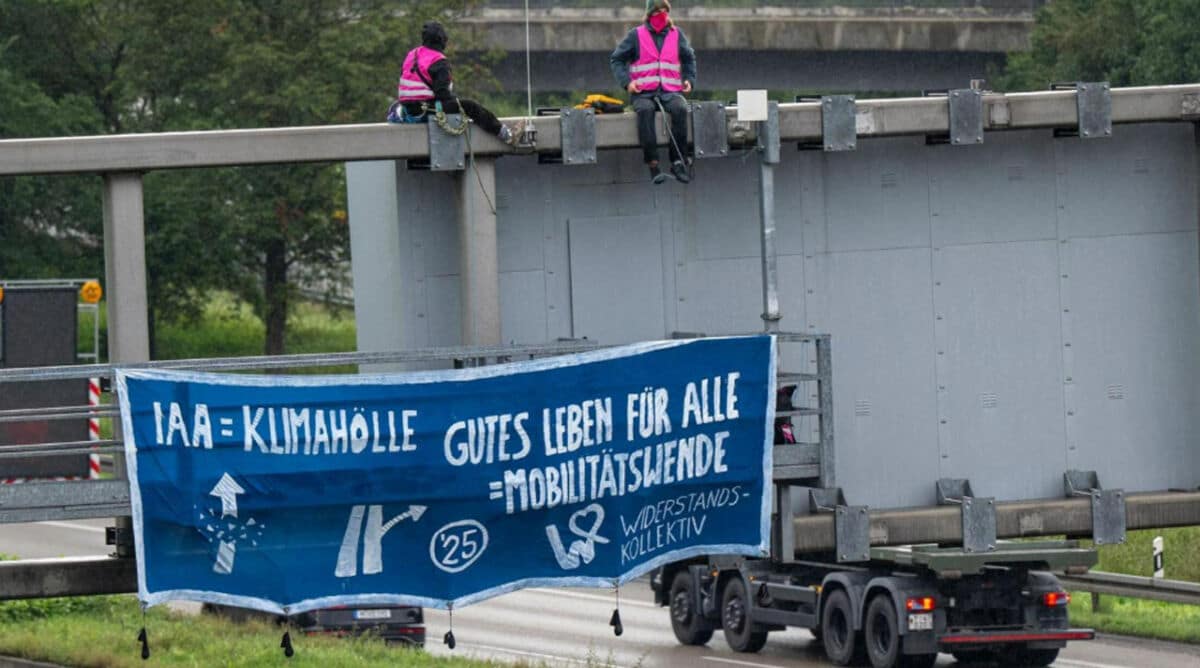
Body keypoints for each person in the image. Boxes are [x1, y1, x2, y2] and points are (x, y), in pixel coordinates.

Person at [390, 21, 520, 146]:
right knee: (471, 106)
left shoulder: (412, 54)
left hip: (409, 111)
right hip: (425, 111)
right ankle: (506, 135)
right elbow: (442, 94)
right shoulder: (438, 60)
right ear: (442, 40)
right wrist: (456, 101)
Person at [609, 0, 697, 184]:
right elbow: (617, 59)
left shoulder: (676, 34)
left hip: (670, 91)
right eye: (658, 11)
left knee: (680, 109)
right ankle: (653, 162)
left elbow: (689, 59)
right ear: (650, 13)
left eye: (665, 11)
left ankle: (678, 161)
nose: (662, 15)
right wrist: (627, 83)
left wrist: (689, 79)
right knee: (645, 111)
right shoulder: (636, 35)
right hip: (643, 93)